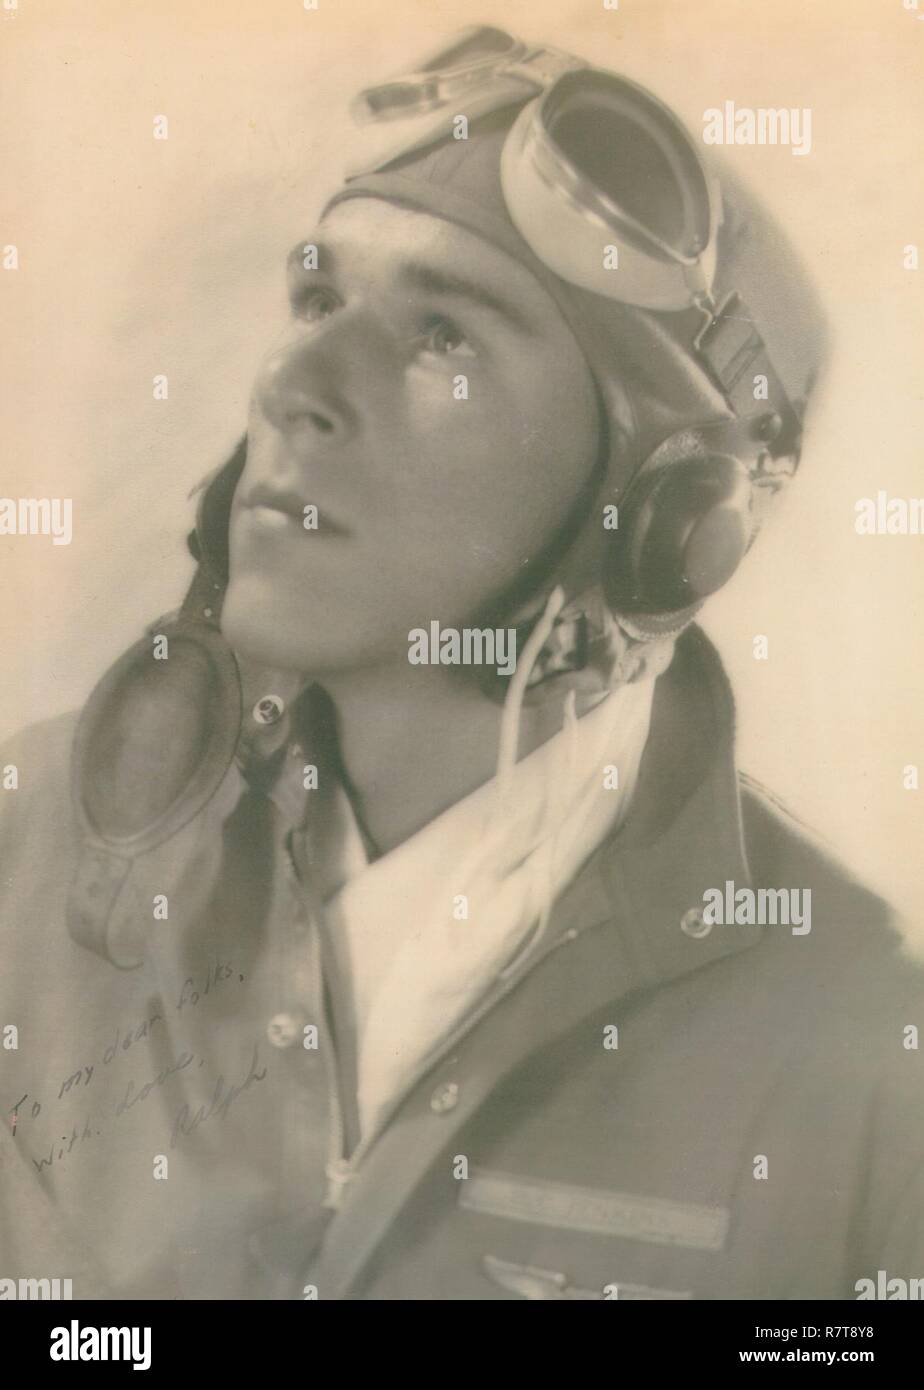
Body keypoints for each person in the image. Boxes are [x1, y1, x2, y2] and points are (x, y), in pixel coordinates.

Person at [2, 28, 922, 1302]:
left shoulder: (861, 1033)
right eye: (321, 300)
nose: (290, 381)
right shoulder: (24, 846)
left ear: (663, 520)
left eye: (445, 336)